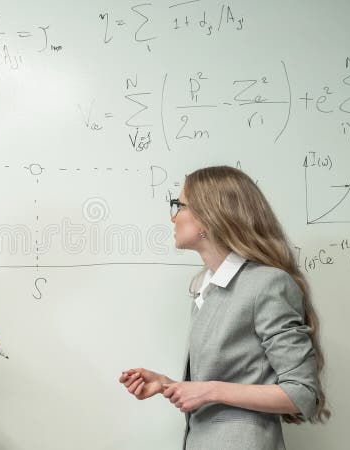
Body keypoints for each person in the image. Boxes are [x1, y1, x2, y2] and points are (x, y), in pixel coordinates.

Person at [119, 166, 329, 449]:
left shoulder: (266, 284)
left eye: (179, 205)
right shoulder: (207, 288)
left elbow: (302, 393)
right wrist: (168, 385)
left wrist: (209, 391)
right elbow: (226, 382)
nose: (173, 216)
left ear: (209, 215)